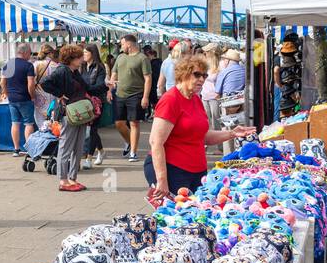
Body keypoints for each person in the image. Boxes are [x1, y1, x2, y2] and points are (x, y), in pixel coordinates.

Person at [144, 56, 255, 200]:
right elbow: (156, 142)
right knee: (177, 216)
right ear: (183, 74)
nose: (202, 79)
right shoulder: (170, 100)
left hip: (196, 171)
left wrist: (232, 133)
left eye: (204, 75)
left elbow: (202, 136)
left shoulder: (195, 99)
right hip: (173, 170)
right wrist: (162, 180)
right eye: (197, 74)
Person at [39, 44, 95, 192]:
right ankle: (63, 180)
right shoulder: (62, 70)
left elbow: (88, 87)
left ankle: (72, 178)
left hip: (79, 113)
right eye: (79, 57)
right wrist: (59, 94)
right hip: (68, 113)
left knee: (78, 146)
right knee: (66, 146)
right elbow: (44, 83)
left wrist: (106, 85)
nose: (82, 59)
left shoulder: (74, 71)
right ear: (71, 59)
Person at [108, 34, 151, 160]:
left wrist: (145, 97)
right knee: (119, 123)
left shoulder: (142, 58)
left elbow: (148, 79)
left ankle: (133, 152)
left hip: (136, 95)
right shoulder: (120, 57)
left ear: (129, 44)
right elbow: (113, 75)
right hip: (120, 94)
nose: (121, 47)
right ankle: (130, 142)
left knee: (134, 123)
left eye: (122, 44)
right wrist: (110, 90)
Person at [1, 43, 37, 156]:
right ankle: (30, 149)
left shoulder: (9, 64)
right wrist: (32, 96)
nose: (30, 56)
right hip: (25, 98)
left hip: (12, 99)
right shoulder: (28, 66)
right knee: (29, 124)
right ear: (25, 52)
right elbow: (31, 84)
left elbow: (2, 82)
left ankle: (16, 149)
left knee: (15, 123)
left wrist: (6, 93)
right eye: (30, 53)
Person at [80, 43, 109, 168]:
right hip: (84, 102)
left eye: (86, 53)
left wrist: (87, 89)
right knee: (92, 131)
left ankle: (88, 158)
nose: (84, 55)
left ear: (92, 53)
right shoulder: (82, 67)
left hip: (97, 103)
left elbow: (101, 86)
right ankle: (101, 151)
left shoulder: (99, 68)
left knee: (92, 130)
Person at [144, 44, 163, 113]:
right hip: (158, 85)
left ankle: (156, 112)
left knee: (154, 102)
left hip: (153, 85)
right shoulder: (161, 62)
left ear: (151, 55)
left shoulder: (152, 64)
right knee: (157, 101)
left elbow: (152, 76)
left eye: (148, 55)